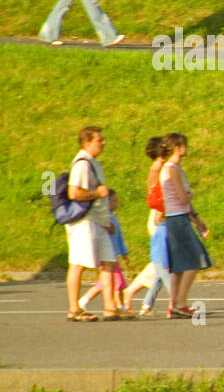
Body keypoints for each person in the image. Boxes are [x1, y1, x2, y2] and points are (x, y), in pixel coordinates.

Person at [64, 126, 129, 321]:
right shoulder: (82, 164)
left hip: (99, 221)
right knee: (78, 264)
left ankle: (110, 307)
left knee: (109, 262)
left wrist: (106, 220)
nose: (104, 142)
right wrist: (97, 193)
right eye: (99, 140)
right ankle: (74, 309)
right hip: (85, 222)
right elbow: (74, 193)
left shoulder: (94, 163)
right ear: (87, 143)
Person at [158, 132, 212, 317]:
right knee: (195, 260)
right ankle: (180, 303)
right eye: (183, 145)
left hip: (176, 218)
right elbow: (183, 198)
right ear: (176, 148)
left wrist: (197, 220)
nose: (186, 147)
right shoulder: (172, 168)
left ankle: (174, 305)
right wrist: (191, 195)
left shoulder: (171, 168)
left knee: (179, 266)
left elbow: (182, 202)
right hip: (178, 219)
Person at [122, 137, 171, 315]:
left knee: (162, 262)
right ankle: (131, 292)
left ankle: (146, 301)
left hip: (160, 214)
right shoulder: (159, 168)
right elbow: (158, 194)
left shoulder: (157, 167)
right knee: (161, 263)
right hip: (159, 215)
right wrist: (162, 211)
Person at [78, 190, 129, 312]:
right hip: (107, 255)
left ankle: (85, 299)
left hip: (114, 254)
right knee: (117, 282)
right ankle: (120, 306)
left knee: (108, 282)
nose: (116, 204)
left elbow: (119, 237)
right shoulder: (104, 218)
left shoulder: (113, 218)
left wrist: (124, 253)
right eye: (114, 201)